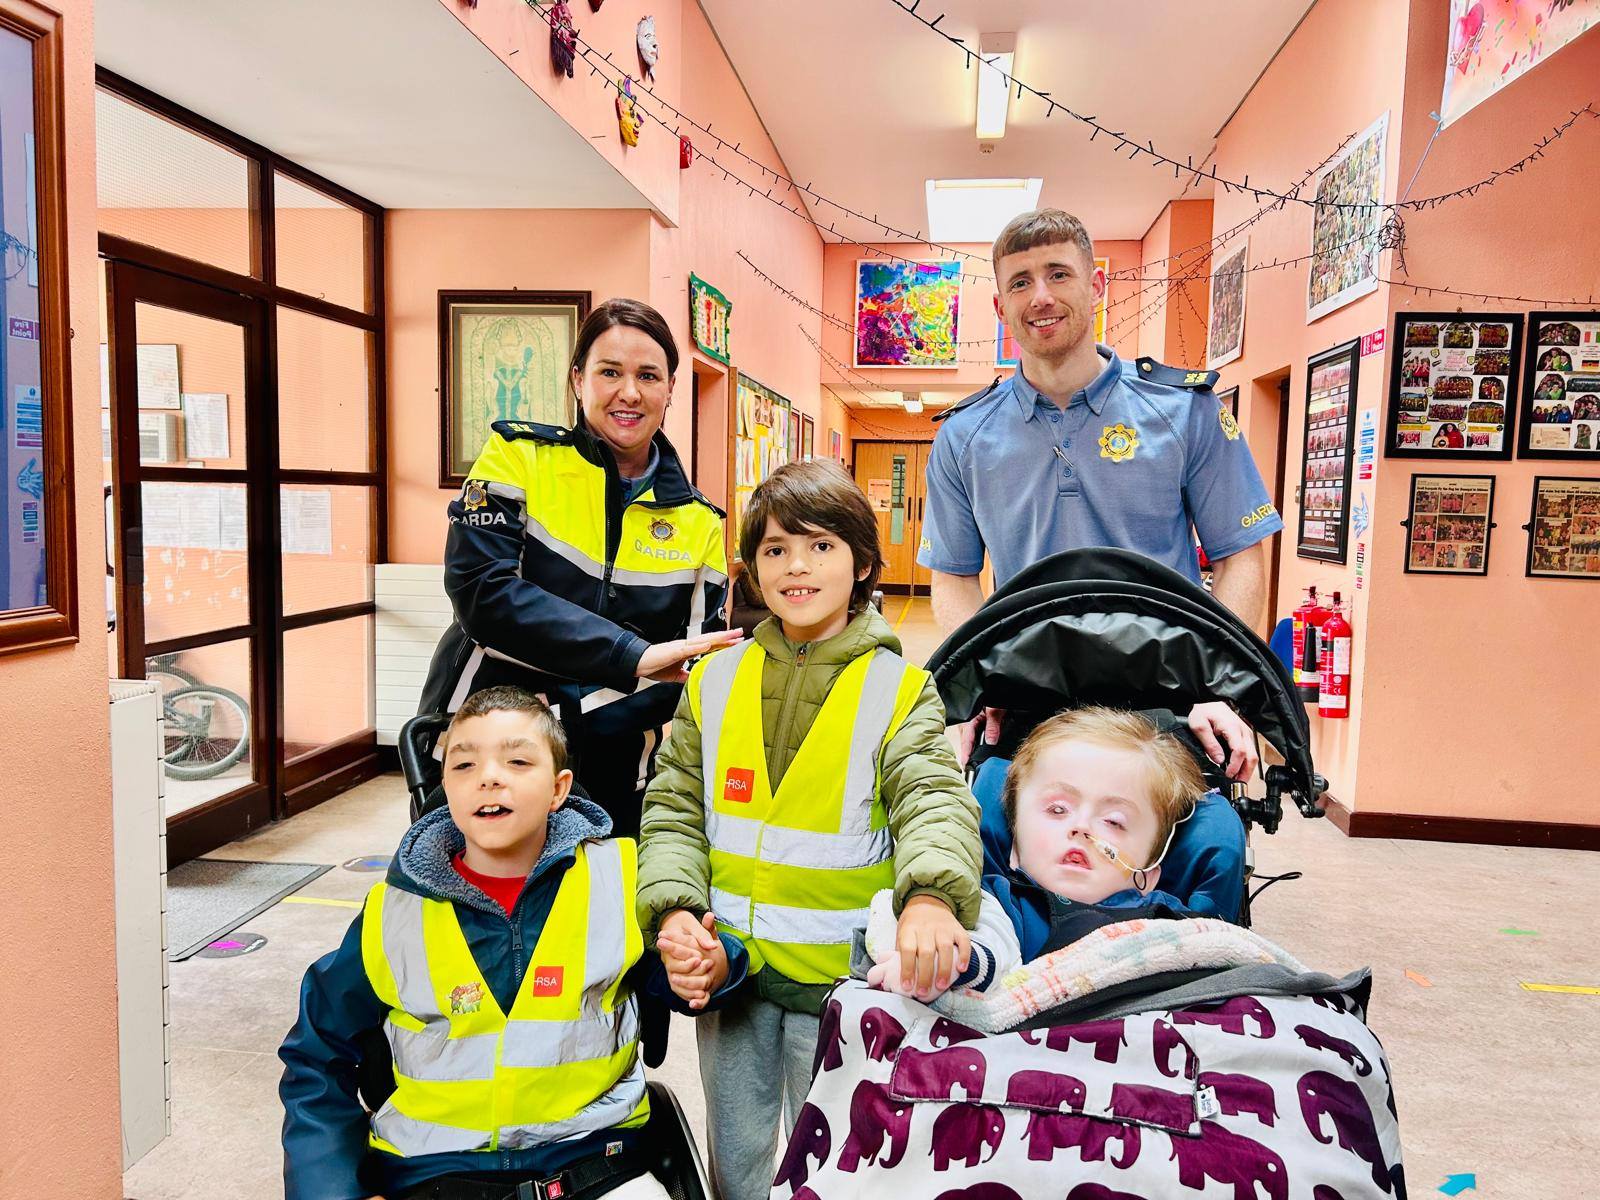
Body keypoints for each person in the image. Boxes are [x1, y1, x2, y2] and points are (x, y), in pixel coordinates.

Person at [636, 460, 983, 1200]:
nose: (796, 566)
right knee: (739, 1168)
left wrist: (932, 898)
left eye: (821, 546)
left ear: (862, 562)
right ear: (753, 569)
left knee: (833, 1168)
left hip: (840, 988)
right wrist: (672, 912)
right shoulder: (714, 683)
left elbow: (934, 800)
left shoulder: (902, 690)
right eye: (774, 549)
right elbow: (671, 809)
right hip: (732, 982)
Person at [280, 686, 735, 1200]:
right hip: (436, 1171)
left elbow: (687, 970)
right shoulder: (392, 912)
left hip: (594, 1160)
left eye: (517, 760)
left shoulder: (621, 879)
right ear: (446, 787)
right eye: (464, 765)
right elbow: (317, 1059)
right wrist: (333, 1190)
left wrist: (710, 966)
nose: (489, 777)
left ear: (559, 789)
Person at [919, 208, 1281, 779]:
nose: (1040, 296)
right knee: (981, 835)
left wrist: (1222, 686)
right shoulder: (964, 437)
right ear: (1000, 308)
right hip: (1026, 698)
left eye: (1058, 274)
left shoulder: (1186, 411)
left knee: (1211, 849)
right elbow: (954, 577)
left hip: (1170, 699)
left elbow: (1241, 554)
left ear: (1097, 285)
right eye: (1020, 282)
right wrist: (984, 676)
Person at [419, 298, 742, 839]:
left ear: (670, 389)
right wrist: (631, 657)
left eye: (648, 375)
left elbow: (689, 668)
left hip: (616, 772)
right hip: (484, 757)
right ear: (577, 379)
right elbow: (484, 595)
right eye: (609, 372)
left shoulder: (700, 521)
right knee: (465, 913)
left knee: (599, 914)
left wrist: (571, 707)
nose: (629, 393)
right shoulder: (517, 458)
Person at [868, 706, 1205, 998]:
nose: (1082, 827)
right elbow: (986, 952)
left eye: (1114, 822)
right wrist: (942, 963)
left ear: (1148, 875)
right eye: (1058, 810)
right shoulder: (1001, 906)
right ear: (1014, 850)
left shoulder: (1170, 922)